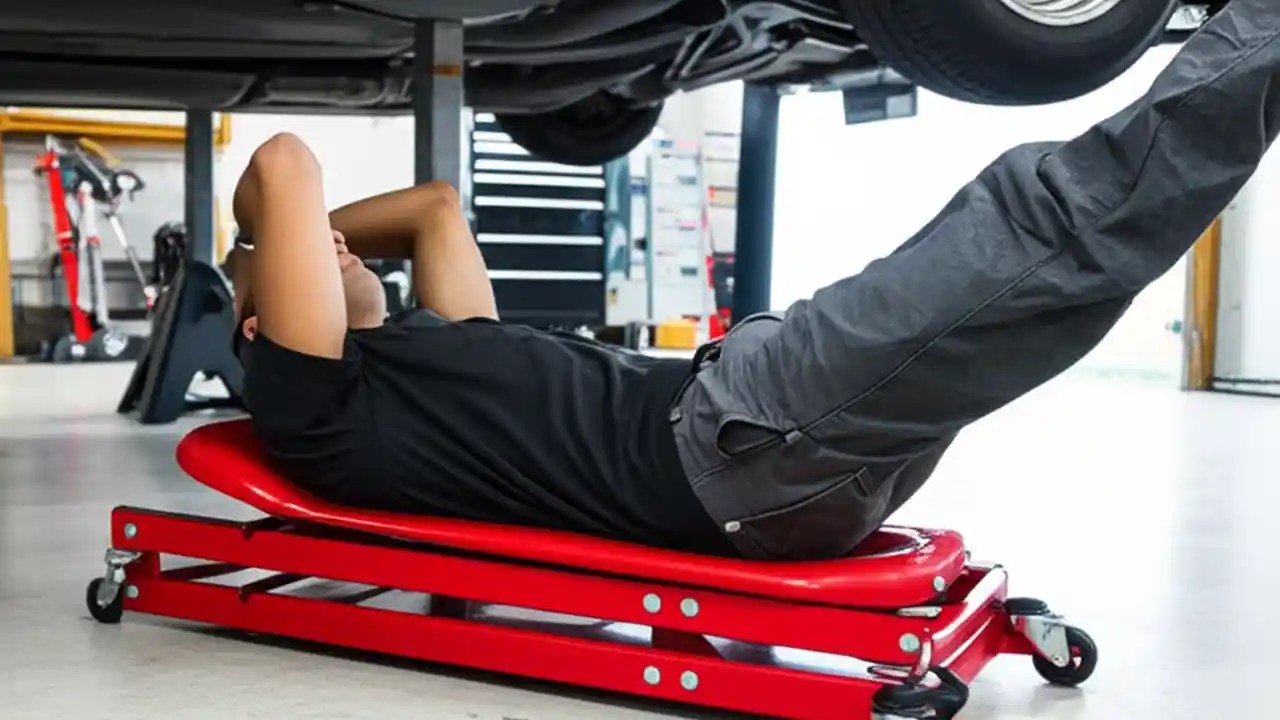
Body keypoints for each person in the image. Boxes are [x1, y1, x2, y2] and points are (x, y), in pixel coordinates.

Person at [229, 0, 1280, 561]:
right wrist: (249, 247)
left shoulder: (422, 353)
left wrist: (301, 263)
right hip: (741, 446)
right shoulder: (315, 407)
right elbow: (282, 168)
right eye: (316, 258)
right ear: (271, 320)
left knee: (1051, 282)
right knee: (1046, 224)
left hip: (759, 435)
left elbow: (434, 212)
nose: (340, 246)